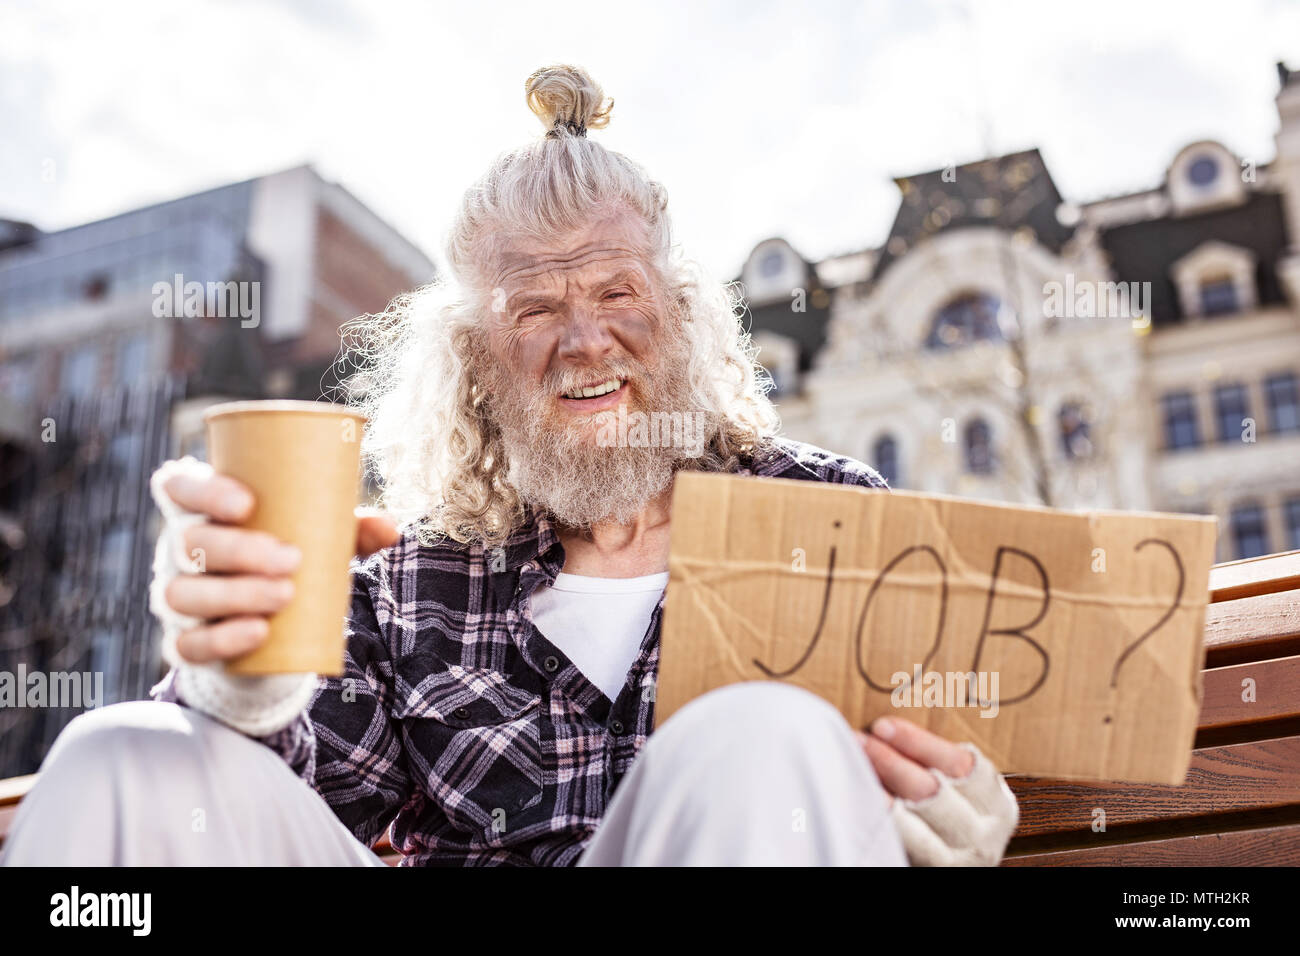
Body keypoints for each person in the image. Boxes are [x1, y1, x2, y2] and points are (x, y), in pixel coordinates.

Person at [1, 64, 1018, 867]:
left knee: (759, 731)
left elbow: (927, 750)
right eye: (533, 308)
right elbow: (250, 797)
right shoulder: (415, 582)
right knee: (117, 755)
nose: (583, 340)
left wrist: (957, 812)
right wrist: (239, 677)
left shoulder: (831, 512)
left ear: (683, 318)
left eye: (617, 292)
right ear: (476, 365)